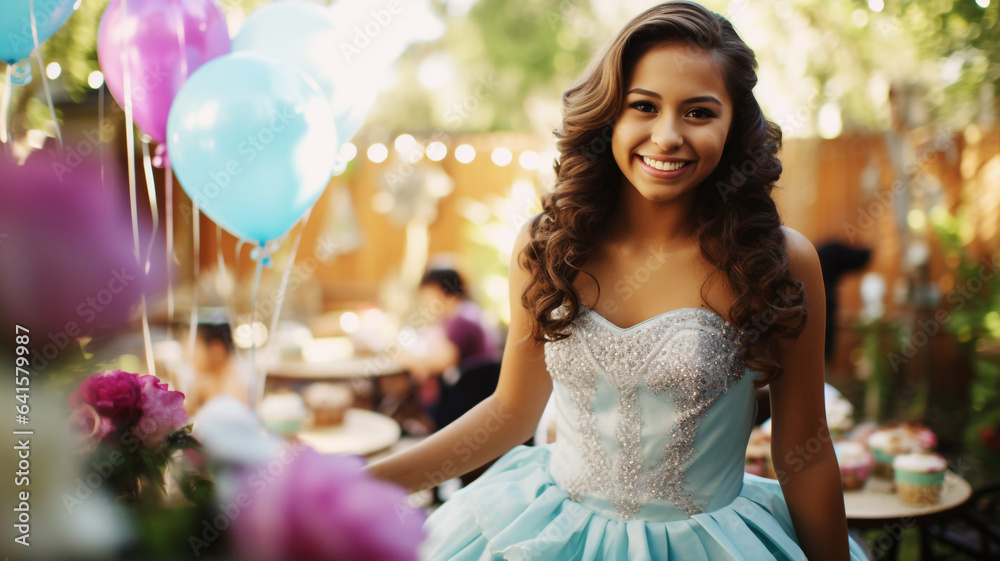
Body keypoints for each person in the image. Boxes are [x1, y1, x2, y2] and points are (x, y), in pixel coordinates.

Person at [365, 3, 870, 559]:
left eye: (699, 112)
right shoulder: (548, 247)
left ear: (734, 125)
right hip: (547, 532)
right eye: (643, 107)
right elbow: (510, 413)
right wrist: (366, 483)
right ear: (610, 116)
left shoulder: (777, 261)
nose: (668, 135)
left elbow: (805, 450)